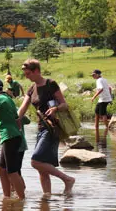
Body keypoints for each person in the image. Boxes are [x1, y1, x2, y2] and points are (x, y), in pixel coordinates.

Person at [17, 59, 75, 196]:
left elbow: (64, 104)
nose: (26, 76)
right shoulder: (31, 89)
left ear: (36, 71)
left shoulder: (50, 84)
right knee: (41, 169)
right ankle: (47, 198)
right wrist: (15, 119)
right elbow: (23, 108)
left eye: (28, 73)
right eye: (25, 74)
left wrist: (55, 108)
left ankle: (67, 179)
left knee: (35, 161)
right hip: (41, 128)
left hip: (52, 128)